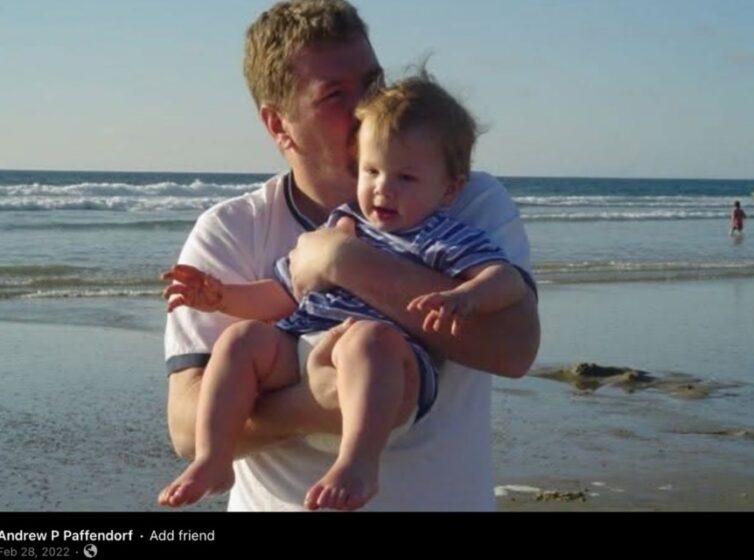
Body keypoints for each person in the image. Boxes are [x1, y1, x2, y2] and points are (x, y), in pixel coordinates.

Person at [164, 0, 540, 512]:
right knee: (243, 339)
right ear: (278, 125)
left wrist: (343, 262)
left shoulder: (464, 198)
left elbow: (514, 349)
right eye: (335, 95)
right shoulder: (232, 229)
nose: (368, 106)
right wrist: (314, 406)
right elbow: (187, 429)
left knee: (369, 344)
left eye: (373, 81)